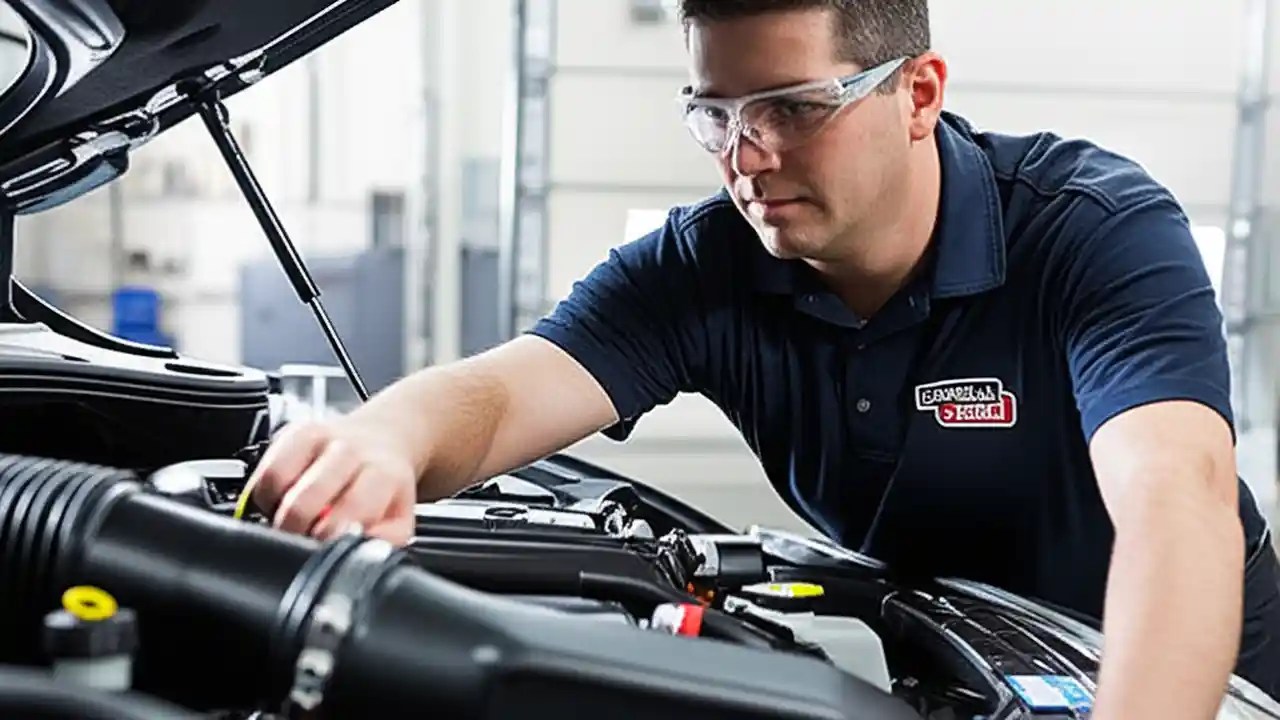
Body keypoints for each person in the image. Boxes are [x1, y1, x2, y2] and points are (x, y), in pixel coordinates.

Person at [248, 0, 1280, 715]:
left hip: (1189, 675)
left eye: (791, 108)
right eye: (715, 114)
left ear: (916, 93)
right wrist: (380, 439)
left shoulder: (1087, 229)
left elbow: (1173, 498)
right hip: (953, 661)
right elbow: (498, 393)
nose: (745, 160)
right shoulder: (708, 266)